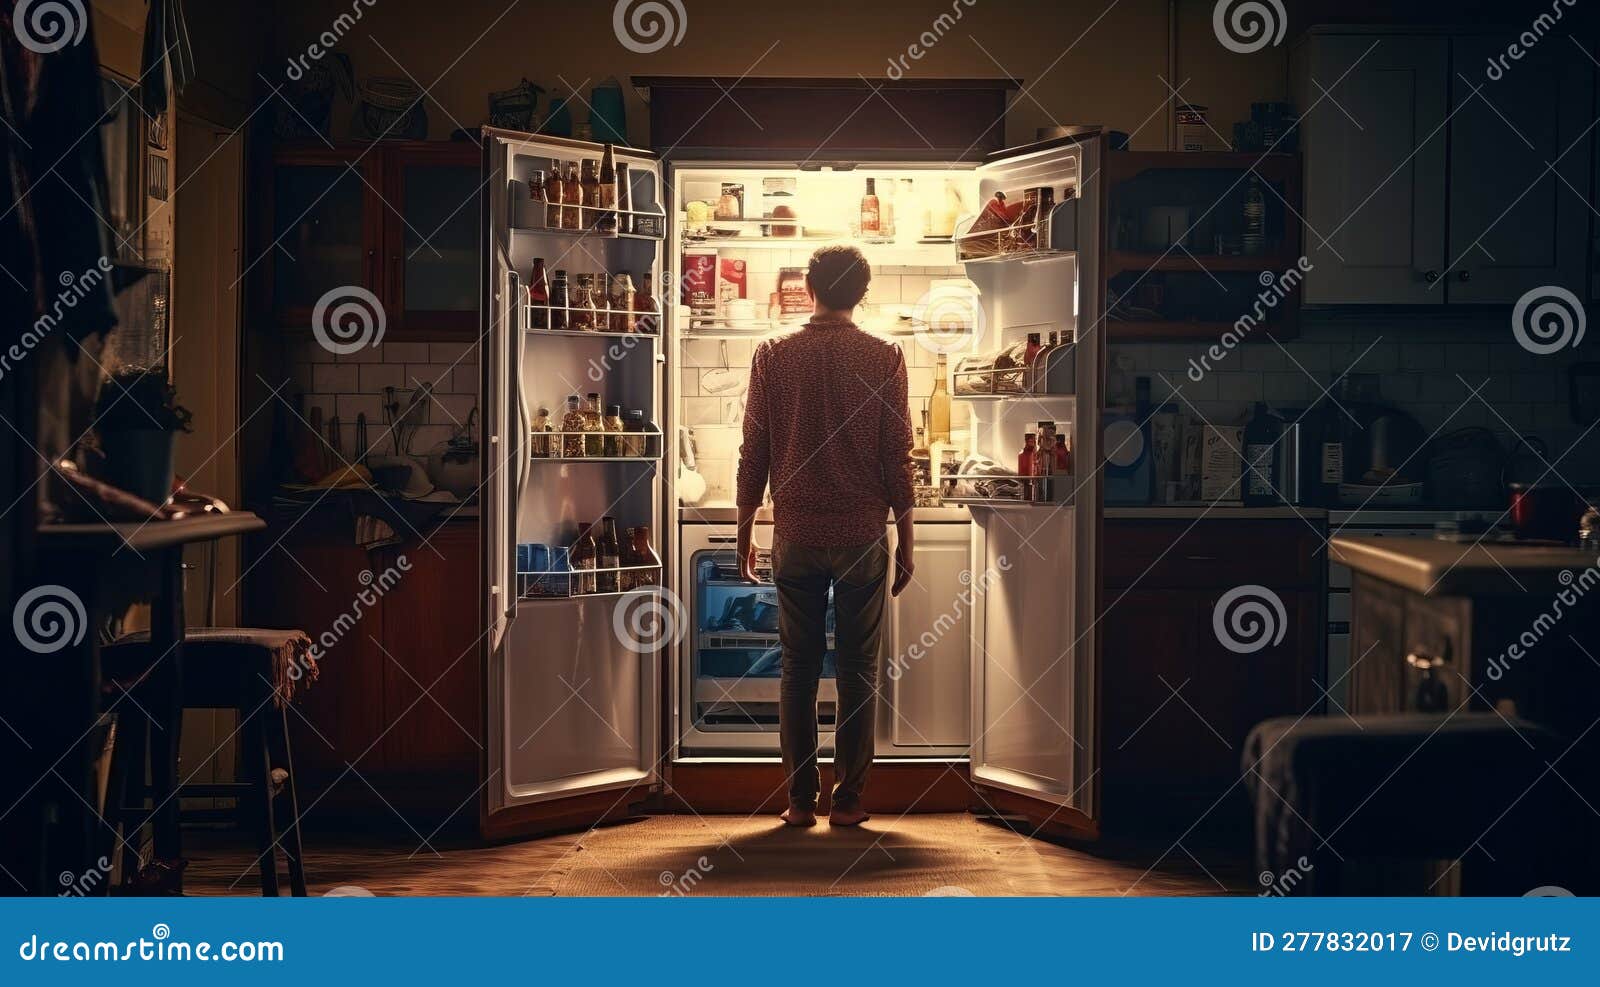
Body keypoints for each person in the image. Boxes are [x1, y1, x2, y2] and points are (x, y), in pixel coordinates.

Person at [736, 244, 915, 828]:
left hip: (796, 531)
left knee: (798, 668)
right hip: (864, 532)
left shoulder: (773, 356)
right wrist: (907, 535)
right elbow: (897, 456)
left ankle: (797, 802)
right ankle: (850, 802)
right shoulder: (884, 357)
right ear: (862, 294)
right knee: (859, 668)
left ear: (810, 288)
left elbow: (754, 449)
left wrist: (744, 529)